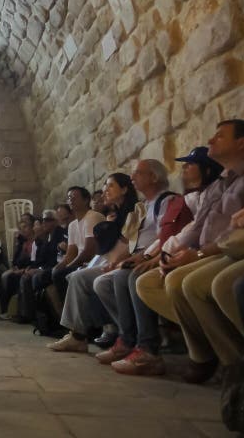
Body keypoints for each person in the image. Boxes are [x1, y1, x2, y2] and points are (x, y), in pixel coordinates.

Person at [159, 120, 244, 382]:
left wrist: (201, 254)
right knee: (166, 280)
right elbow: (198, 226)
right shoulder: (219, 184)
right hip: (212, 249)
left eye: (219, 136)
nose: (211, 141)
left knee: (205, 284)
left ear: (243, 142)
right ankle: (213, 355)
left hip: (238, 251)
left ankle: (239, 361)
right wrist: (180, 252)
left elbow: (242, 229)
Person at [92, 159, 175, 371]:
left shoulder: (166, 201)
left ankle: (147, 347)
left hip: (159, 255)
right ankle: (127, 339)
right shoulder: (141, 207)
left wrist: (145, 257)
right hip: (141, 255)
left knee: (127, 276)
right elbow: (126, 242)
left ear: (154, 177)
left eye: (138, 173)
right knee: (105, 280)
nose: (132, 177)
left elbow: (165, 237)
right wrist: (118, 261)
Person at [49, 173, 139, 353]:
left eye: (110, 186)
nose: (105, 190)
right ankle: (77, 335)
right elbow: (108, 248)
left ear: (124, 189)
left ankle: (122, 333)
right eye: (105, 186)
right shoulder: (114, 215)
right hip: (110, 260)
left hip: (125, 261)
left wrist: (114, 263)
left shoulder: (133, 211)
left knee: (82, 278)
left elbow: (127, 245)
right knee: (76, 276)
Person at [51, 187, 102, 300]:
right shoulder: (72, 225)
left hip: (93, 261)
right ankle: (67, 313)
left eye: (74, 197)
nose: (71, 200)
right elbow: (71, 253)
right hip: (80, 262)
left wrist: (69, 266)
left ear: (85, 200)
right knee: (55, 272)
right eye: (69, 198)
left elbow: (89, 251)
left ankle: (74, 314)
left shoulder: (92, 217)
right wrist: (59, 266)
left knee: (61, 274)